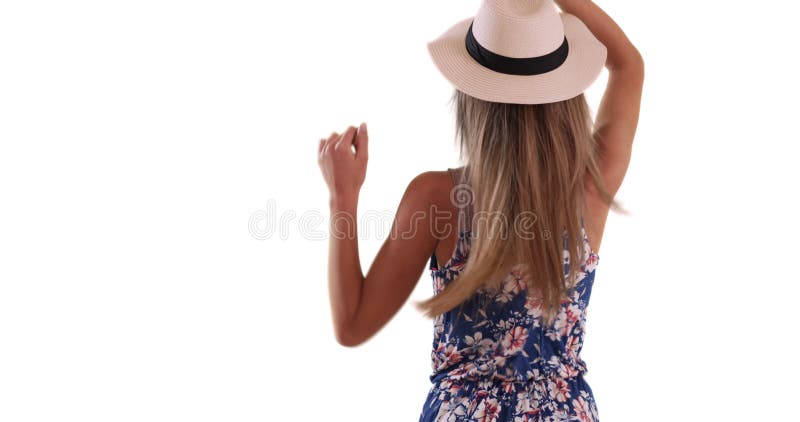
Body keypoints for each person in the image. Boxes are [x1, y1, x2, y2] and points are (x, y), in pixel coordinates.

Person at [317, 0, 643, 420]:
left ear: (471, 98)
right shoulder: (589, 187)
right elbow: (629, 66)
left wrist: (343, 195)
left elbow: (353, 324)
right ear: (565, 94)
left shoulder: (437, 198)